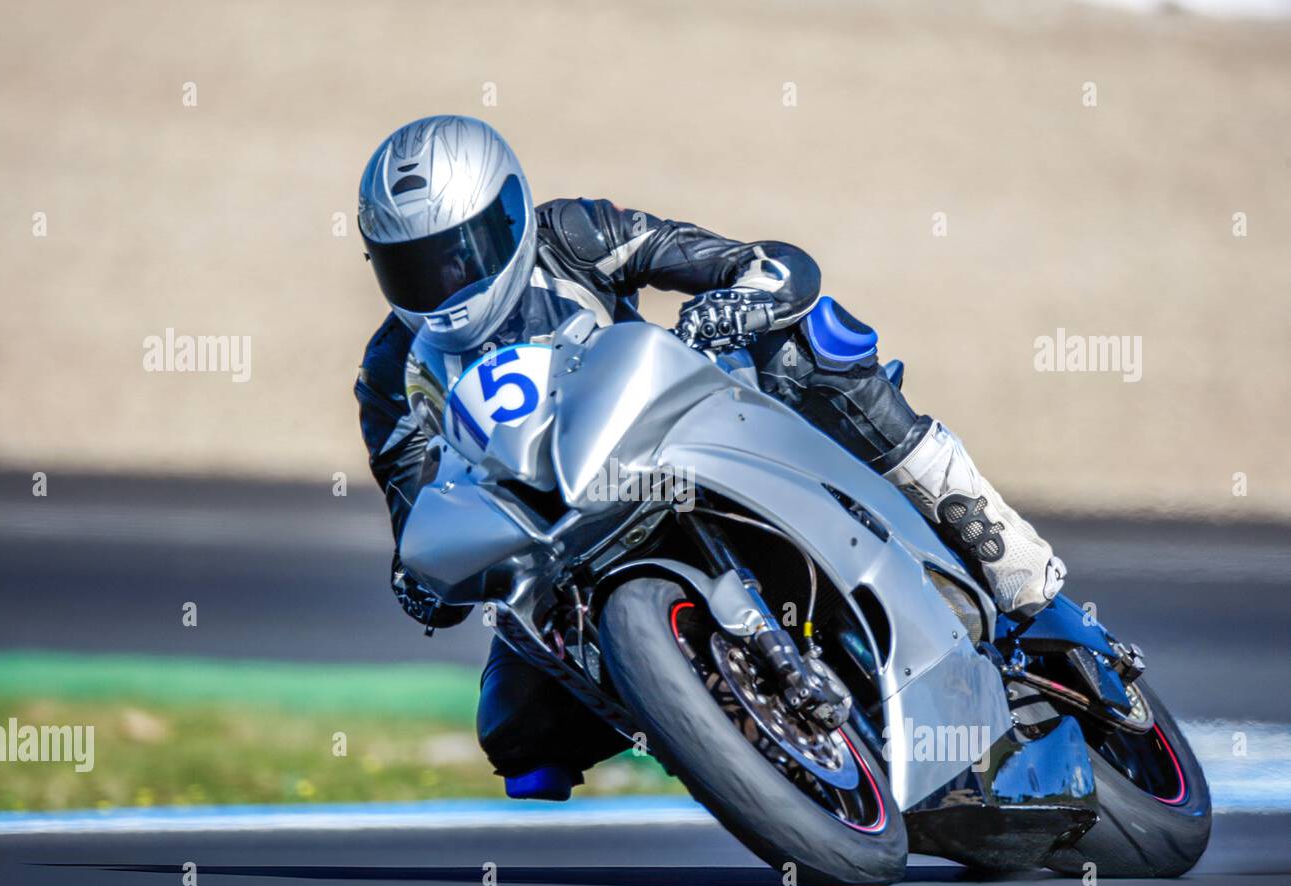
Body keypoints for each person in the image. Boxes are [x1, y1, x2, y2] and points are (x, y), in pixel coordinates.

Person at [355, 115, 1066, 797]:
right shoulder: (391, 370)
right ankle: (717, 725)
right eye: (415, 270)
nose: (447, 284)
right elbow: (413, 515)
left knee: (806, 343)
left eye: (462, 251)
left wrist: (739, 301)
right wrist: (423, 573)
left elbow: (763, 266)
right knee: (516, 736)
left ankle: (1003, 554)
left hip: (667, 449)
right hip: (553, 550)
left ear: (509, 215)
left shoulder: (571, 235)